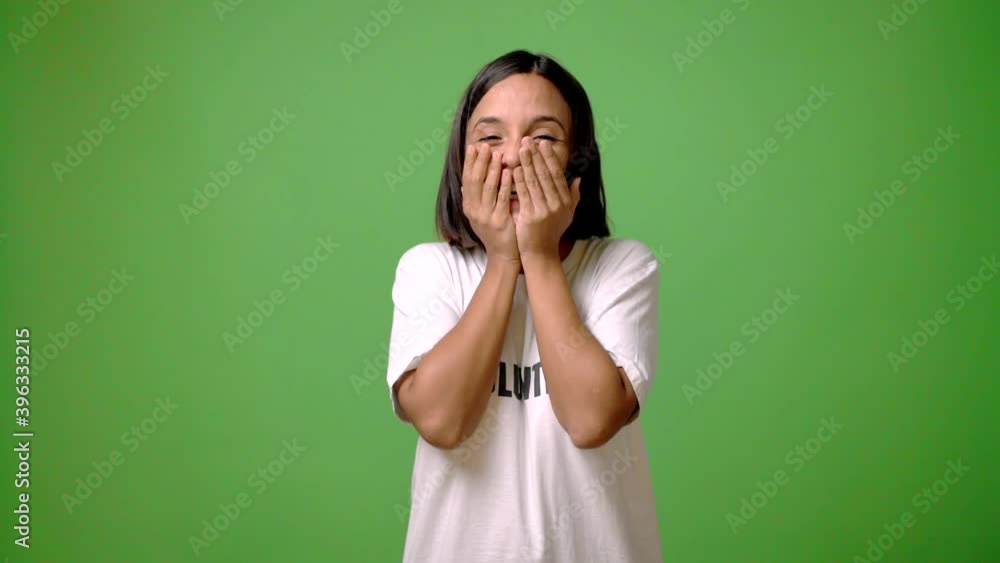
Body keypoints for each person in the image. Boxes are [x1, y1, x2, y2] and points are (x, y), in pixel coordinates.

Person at [385, 49, 662, 563]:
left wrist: (537, 254)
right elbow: (443, 423)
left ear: (578, 162)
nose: (514, 156)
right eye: (490, 138)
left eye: (544, 138)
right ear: (460, 162)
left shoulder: (623, 267)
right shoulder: (429, 270)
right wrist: (501, 261)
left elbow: (590, 421)